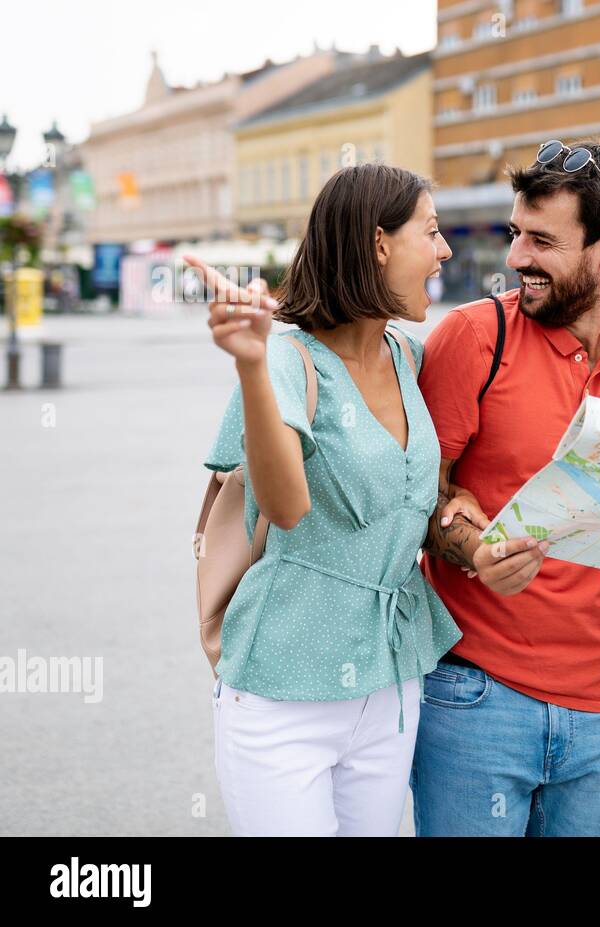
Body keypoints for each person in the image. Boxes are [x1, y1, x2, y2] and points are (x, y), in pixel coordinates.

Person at [412, 139, 600, 836]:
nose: (516, 259)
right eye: (515, 234)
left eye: (542, 241)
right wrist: (473, 545)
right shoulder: (473, 339)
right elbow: (417, 499)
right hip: (474, 697)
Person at [192, 164, 470, 836]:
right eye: (430, 233)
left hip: (390, 685)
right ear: (379, 245)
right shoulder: (289, 361)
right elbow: (286, 505)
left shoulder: (409, 355)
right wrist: (252, 364)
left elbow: (418, 495)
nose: (445, 251)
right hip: (283, 691)